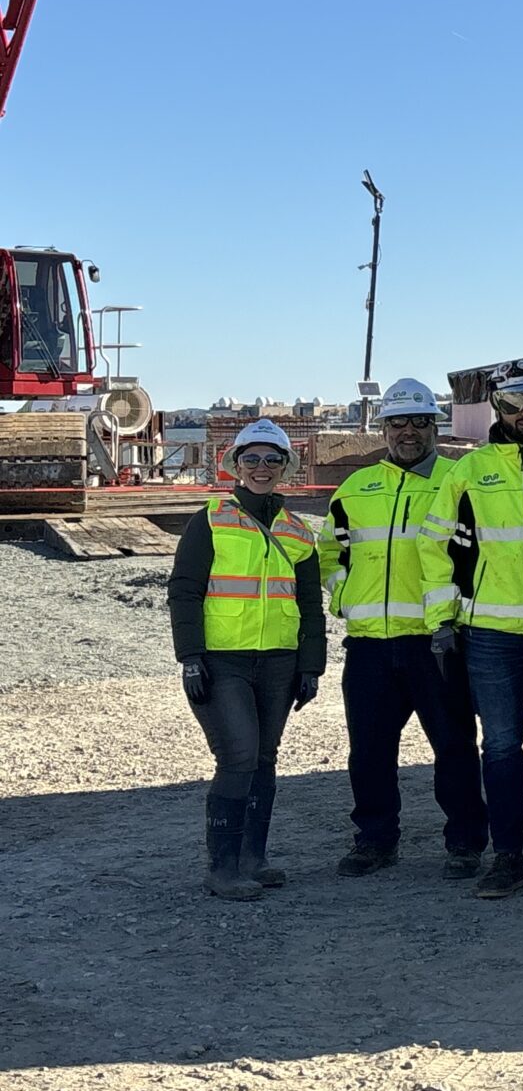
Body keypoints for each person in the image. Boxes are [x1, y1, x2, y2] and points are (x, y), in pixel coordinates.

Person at [419, 358, 523, 900]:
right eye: (514, 402)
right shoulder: (466, 473)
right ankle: (508, 858)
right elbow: (435, 546)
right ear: (497, 406)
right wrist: (441, 620)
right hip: (491, 634)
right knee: (499, 747)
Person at [317, 378, 489, 879]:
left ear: (434, 427)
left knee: (454, 747)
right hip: (370, 644)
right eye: (398, 422)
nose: (408, 432)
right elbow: (331, 551)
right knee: (368, 752)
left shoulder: (459, 482)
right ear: (384, 428)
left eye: (419, 422)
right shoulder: (356, 489)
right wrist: (345, 592)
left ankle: (465, 842)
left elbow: (478, 553)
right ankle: (374, 840)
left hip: (438, 642)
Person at [167, 419, 324, 899]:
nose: (262, 467)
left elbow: (310, 606)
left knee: (264, 758)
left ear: (285, 468)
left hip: (278, 660)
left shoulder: (298, 532)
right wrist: (190, 656)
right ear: (235, 465)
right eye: (251, 458)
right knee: (237, 756)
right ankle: (223, 867)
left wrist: (310, 666)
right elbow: (184, 591)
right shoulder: (210, 519)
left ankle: (253, 859)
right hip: (223, 661)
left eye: (272, 459)